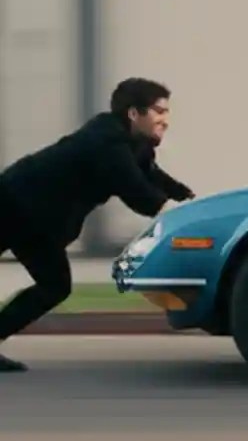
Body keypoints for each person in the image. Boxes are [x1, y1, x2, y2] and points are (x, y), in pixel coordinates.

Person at [0, 77, 194, 372]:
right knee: (54, 285)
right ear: (133, 113)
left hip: (35, 223)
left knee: (55, 286)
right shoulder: (106, 142)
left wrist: (189, 198)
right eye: (158, 112)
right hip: (11, 204)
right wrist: (176, 213)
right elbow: (137, 192)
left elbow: (151, 175)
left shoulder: (135, 145)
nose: (165, 120)